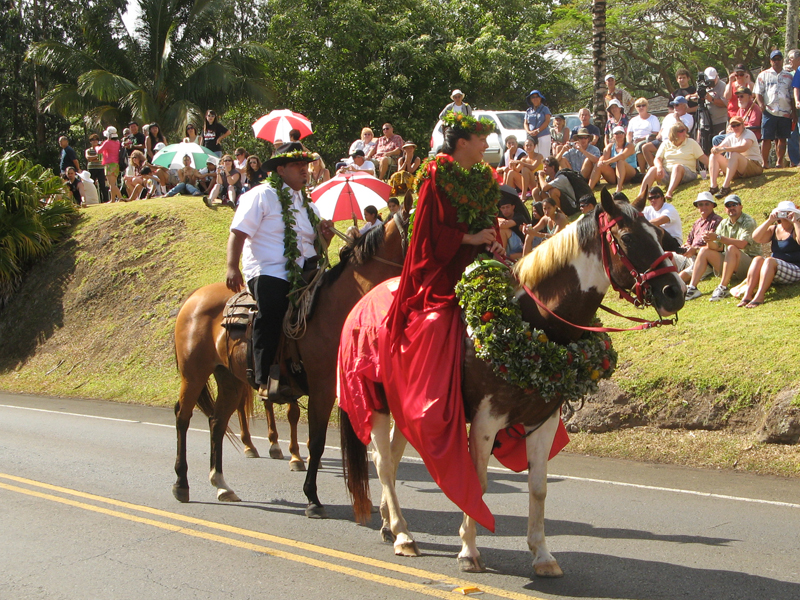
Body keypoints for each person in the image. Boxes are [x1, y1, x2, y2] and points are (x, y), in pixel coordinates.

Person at [365, 112, 503, 528]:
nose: (485, 144)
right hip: (440, 274)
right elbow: (424, 235)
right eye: (480, 138)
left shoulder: (482, 177)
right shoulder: (434, 177)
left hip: (478, 268)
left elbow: (487, 224)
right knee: (434, 325)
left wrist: (493, 241)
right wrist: (467, 238)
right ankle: (420, 400)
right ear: (460, 141)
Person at [225, 142, 335, 399]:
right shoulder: (261, 195)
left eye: (306, 165)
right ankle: (264, 377)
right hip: (268, 270)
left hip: (306, 271)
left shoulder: (310, 206)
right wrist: (232, 267)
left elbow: (316, 249)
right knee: (273, 305)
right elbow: (238, 233)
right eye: (297, 165)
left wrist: (325, 238)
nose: (304, 170)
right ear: (281, 169)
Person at [683, 194, 759, 301]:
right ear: (725, 209)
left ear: (741, 207)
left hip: (750, 266)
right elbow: (717, 247)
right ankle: (693, 287)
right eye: (728, 205)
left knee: (731, 248)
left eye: (734, 204)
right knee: (704, 250)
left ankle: (722, 288)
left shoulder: (748, 221)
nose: (731, 207)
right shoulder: (724, 223)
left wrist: (718, 237)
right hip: (730, 264)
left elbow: (742, 244)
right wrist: (709, 240)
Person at [736, 201, 800, 307]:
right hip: (775, 269)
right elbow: (756, 237)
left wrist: (795, 222)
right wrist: (769, 220)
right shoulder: (774, 229)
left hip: (795, 268)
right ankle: (748, 295)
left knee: (770, 260)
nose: (785, 215)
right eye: (782, 212)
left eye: (788, 212)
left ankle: (760, 296)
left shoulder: (796, 228)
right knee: (757, 259)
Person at [637, 121, 707, 201]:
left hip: (687, 173)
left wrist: (714, 168)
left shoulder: (691, 142)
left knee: (677, 166)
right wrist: (659, 167)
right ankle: (641, 196)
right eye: (681, 131)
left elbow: (703, 158)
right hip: (668, 173)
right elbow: (657, 159)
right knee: (653, 169)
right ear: (674, 133)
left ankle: (669, 192)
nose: (684, 132)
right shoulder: (666, 143)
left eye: (684, 130)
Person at [754, 50, 794, 168]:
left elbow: (792, 95)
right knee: (766, 138)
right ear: (770, 61)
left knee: (782, 138)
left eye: (778, 59)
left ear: (782, 60)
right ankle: (764, 163)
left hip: (785, 111)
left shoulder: (788, 76)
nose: (776, 61)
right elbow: (758, 92)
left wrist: (793, 112)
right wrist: (761, 104)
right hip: (769, 110)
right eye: (774, 59)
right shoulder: (763, 75)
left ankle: (779, 162)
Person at [707, 115, 764, 199]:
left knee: (734, 153)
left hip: (754, 165)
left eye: (738, 125)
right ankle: (713, 186)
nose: (736, 127)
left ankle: (726, 187)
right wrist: (715, 149)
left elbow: (743, 147)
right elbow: (719, 148)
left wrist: (724, 149)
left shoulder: (749, 134)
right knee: (713, 156)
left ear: (743, 125)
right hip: (736, 168)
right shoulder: (730, 137)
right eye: (733, 126)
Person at [674, 192, 723, 283]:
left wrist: (695, 250)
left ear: (712, 205)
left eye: (707, 204)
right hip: (690, 256)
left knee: (681, 276)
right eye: (700, 204)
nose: (703, 207)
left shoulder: (717, 221)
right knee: (667, 256)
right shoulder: (697, 223)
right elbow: (689, 240)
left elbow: (716, 246)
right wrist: (687, 247)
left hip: (705, 261)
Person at [640, 96, 694, 169]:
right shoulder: (668, 116)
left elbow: (686, 130)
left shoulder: (689, 117)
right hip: (662, 141)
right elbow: (662, 128)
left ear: (684, 106)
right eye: (673, 105)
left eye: (677, 105)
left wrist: (677, 118)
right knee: (645, 147)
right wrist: (659, 134)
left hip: (676, 142)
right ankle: (656, 170)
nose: (674, 107)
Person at [589, 126, 636, 192]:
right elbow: (604, 158)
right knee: (599, 164)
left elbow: (622, 156)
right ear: (613, 135)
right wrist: (601, 161)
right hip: (614, 174)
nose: (619, 135)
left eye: (621, 133)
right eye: (616, 133)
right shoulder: (610, 146)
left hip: (630, 172)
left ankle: (619, 188)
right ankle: (589, 189)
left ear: (624, 135)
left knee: (620, 161)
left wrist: (608, 161)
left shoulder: (630, 146)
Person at [627, 98, 661, 173]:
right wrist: (628, 143)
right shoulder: (633, 120)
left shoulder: (653, 118)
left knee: (639, 145)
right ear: (636, 108)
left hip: (650, 140)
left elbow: (655, 133)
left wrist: (642, 139)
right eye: (639, 106)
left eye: (643, 105)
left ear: (647, 106)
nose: (641, 107)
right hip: (634, 141)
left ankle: (642, 172)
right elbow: (629, 134)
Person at [497, 187, 531, 259]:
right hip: (511, 246)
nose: (505, 210)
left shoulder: (519, 216)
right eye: (503, 208)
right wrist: (499, 219)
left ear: (513, 207)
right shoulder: (502, 217)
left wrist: (499, 221)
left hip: (521, 245)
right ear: (500, 209)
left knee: (503, 231)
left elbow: (503, 226)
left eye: (507, 207)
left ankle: (501, 256)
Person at [97, 126, 124, 202]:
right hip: (116, 164)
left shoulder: (107, 142)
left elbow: (99, 151)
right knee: (112, 183)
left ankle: (120, 197)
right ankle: (112, 200)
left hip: (109, 164)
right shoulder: (117, 143)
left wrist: (96, 147)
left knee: (111, 184)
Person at [524, 90, 552, 157]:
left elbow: (547, 121)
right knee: (533, 156)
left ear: (540, 98)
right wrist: (529, 132)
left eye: (537, 97)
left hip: (543, 135)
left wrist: (538, 130)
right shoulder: (528, 111)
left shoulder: (545, 109)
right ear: (530, 99)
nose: (535, 99)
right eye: (533, 97)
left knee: (544, 156)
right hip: (532, 137)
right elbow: (525, 123)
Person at [85, 133, 109, 203]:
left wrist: (93, 158)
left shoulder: (101, 149)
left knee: (102, 185)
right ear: (90, 141)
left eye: (96, 139)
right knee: (91, 185)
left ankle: (105, 200)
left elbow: (102, 158)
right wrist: (97, 157)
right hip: (91, 169)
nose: (94, 141)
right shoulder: (88, 150)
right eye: (93, 139)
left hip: (100, 168)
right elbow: (88, 158)